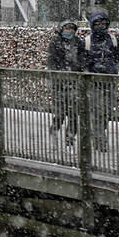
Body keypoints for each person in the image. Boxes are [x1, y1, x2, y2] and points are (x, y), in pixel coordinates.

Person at [83, 9, 119, 151]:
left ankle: (97, 133)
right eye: (98, 24)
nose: (101, 27)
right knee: (97, 111)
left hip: (109, 81)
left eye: (104, 24)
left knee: (107, 112)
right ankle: (100, 139)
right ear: (92, 25)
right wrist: (89, 70)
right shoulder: (87, 41)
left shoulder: (113, 40)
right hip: (93, 82)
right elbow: (82, 61)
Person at [46, 18, 87, 146]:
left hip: (75, 84)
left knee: (74, 115)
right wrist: (57, 75)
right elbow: (52, 61)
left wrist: (81, 71)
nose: (69, 31)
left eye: (71, 29)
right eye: (66, 28)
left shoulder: (78, 42)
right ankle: (54, 131)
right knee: (60, 114)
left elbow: (83, 59)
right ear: (61, 29)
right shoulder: (55, 42)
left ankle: (70, 139)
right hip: (59, 85)